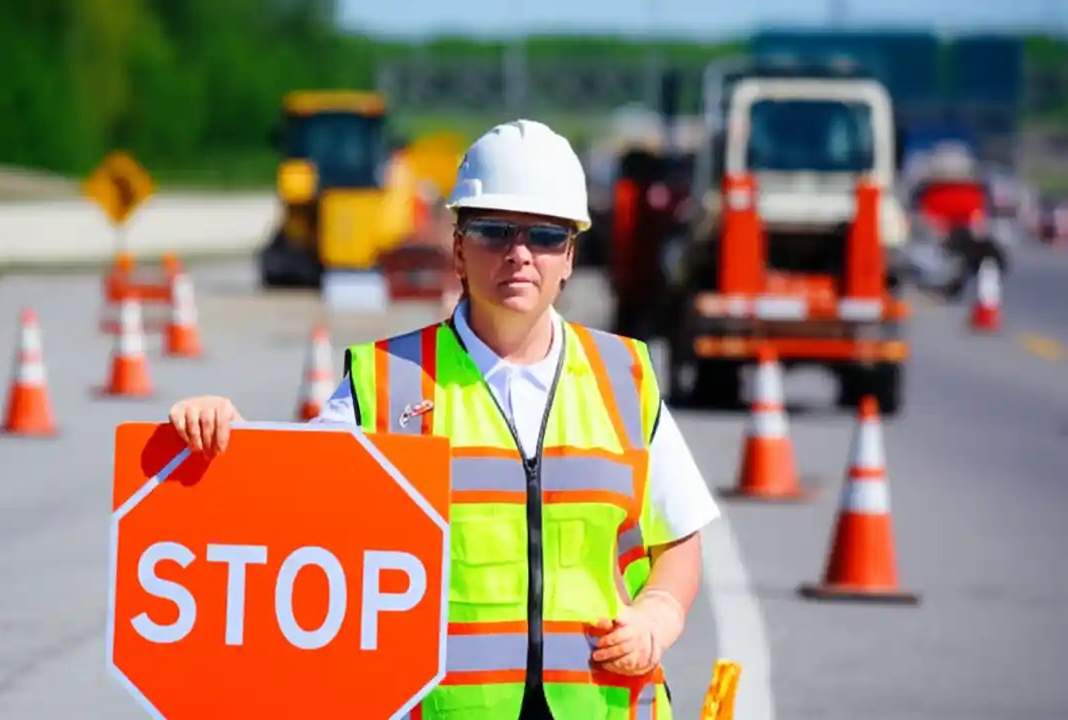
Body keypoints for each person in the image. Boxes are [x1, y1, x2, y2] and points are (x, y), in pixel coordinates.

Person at [168, 119, 721, 720]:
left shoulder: (624, 377)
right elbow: (290, 517)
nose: (519, 254)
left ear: (570, 257)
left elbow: (678, 537)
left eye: (544, 236)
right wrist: (225, 441)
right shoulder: (387, 383)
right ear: (458, 247)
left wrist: (658, 615)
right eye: (493, 231)